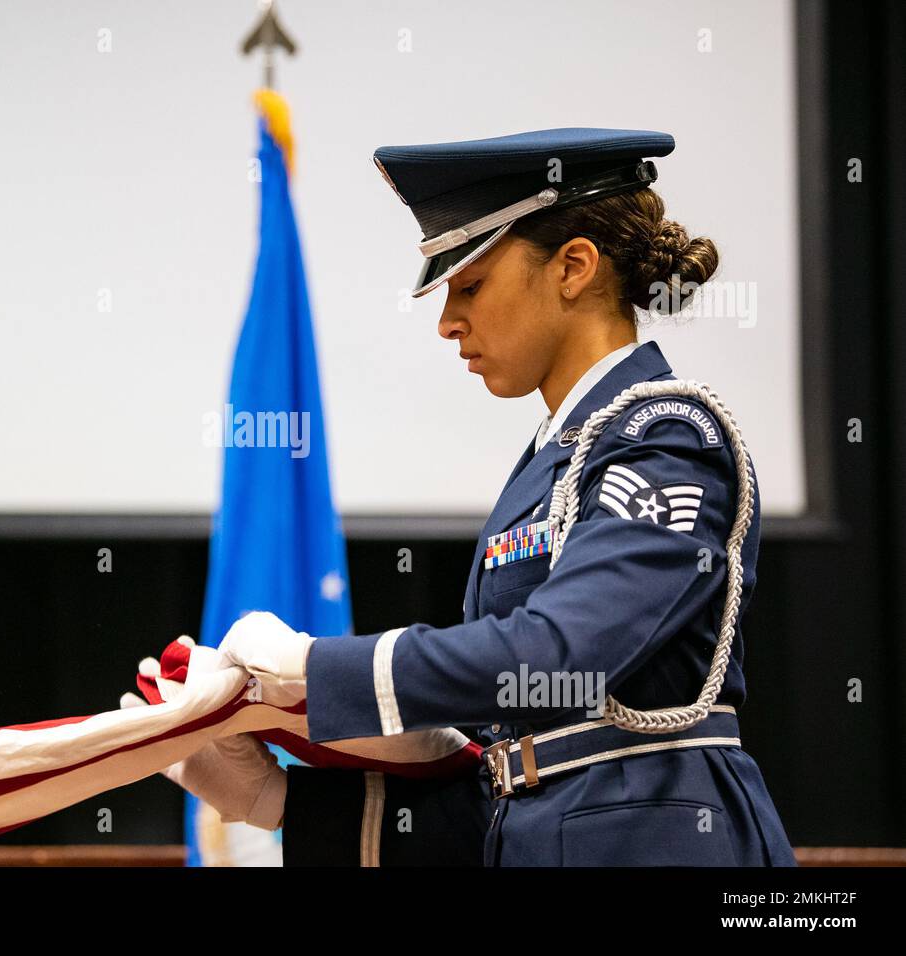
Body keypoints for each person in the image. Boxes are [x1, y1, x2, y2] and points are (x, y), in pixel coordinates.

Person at [181, 127, 796, 866]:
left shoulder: (668, 436)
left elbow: (561, 654)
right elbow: (529, 774)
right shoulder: (559, 457)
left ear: (573, 267)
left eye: (470, 285)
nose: (447, 324)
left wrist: (313, 669)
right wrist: (275, 803)